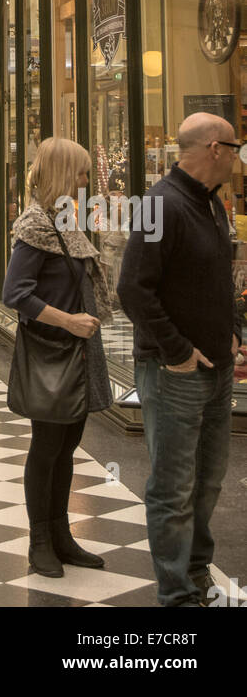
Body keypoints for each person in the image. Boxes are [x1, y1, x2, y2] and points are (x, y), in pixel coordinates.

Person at [118, 111, 242, 608]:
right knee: (173, 486)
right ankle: (176, 593)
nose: (238, 156)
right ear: (215, 148)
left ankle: (196, 568)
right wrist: (177, 350)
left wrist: (231, 331)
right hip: (175, 372)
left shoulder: (212, 205)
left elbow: (216, 279)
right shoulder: (159, 204)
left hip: (217, 368)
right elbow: (133, 289)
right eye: (235, 147)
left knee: (209, 480)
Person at [3, 137, 113, 578]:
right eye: (82, 173)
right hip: (53, 352)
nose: (86, 182)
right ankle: (39, 540)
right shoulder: (35, 226)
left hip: (79, 352)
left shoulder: (63, 220)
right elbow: (14, 293)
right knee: (47, 447)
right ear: (65, 174)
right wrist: (69, 321)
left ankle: (62, 534)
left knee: (67, 447)